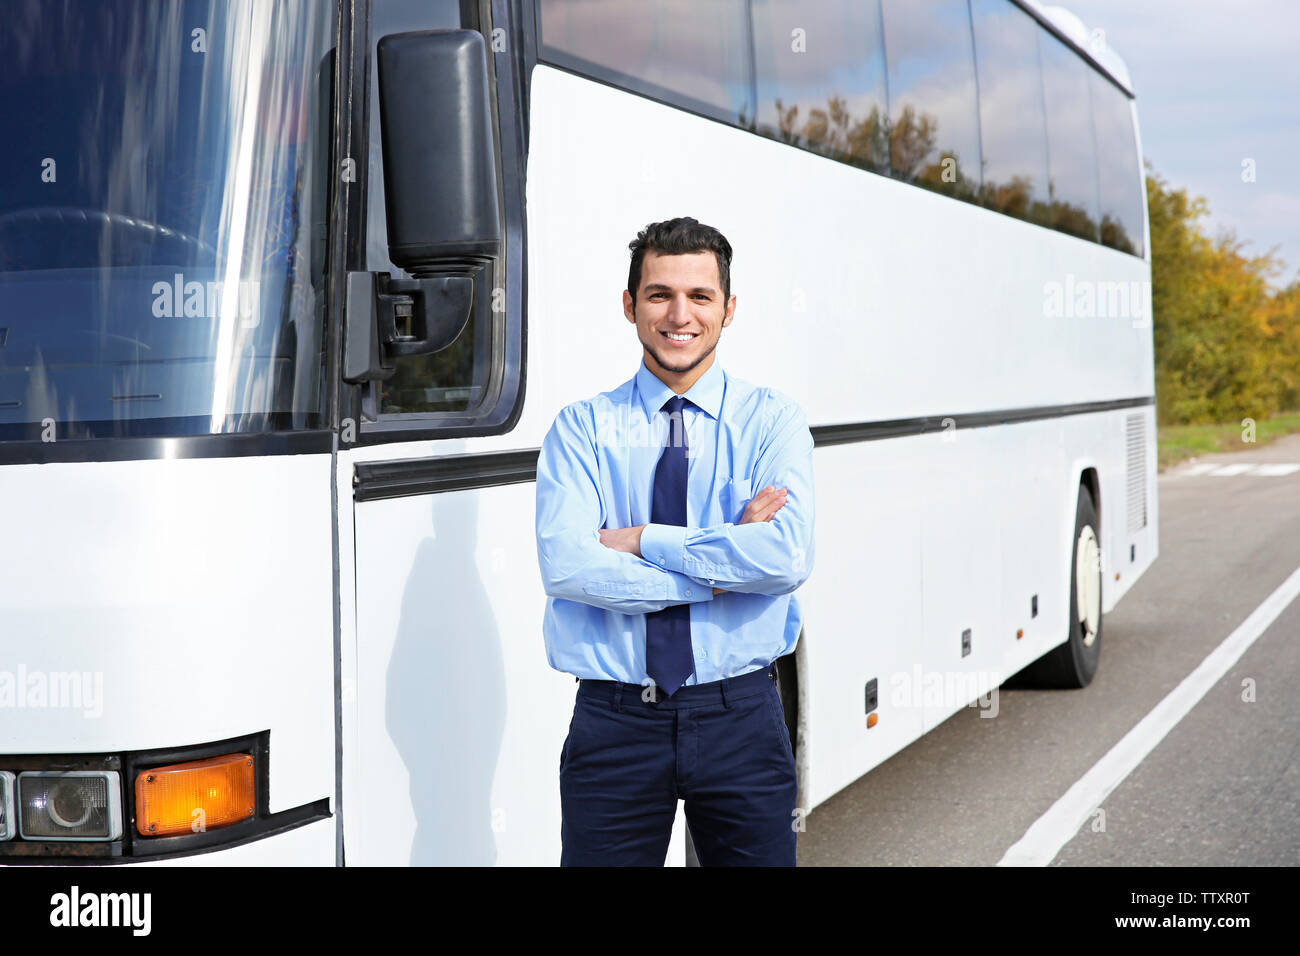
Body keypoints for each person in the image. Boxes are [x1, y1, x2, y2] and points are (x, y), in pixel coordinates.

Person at [534, 216, 816, 866]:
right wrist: (721, 567)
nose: (678, 314)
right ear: (631, 305)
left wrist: (642, 539)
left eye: (700, 296)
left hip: (740, 714)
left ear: (729, 308)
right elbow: (570, 568)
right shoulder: (582, 430)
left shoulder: (772, 421)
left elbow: (786, 557)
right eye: (659, 294)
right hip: (614, 722)